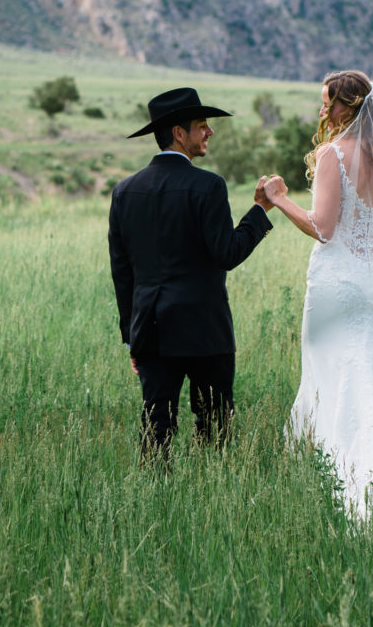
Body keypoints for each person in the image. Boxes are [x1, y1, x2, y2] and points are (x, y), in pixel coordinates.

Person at [260, 70, 373, 515]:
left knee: (330, 375)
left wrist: (279, 198)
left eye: (328, 103)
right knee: (372, 376)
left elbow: (323, 227)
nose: (322, 111)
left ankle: (345, 482)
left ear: (349, 107)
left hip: (339, 287)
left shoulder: (334, 154)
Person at [109, 87, 274, 458]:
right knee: (215, 427)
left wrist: (130, 337)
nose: (209, 133)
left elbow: (122, 273)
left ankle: (154, 498)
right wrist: (261, 211)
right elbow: (227, 254)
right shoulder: (208, 186)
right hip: (205, 328)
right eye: (202, 126)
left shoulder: (124, 191)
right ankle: (211, 493)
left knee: (156, 425)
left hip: (149, 329)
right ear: (178, 134)